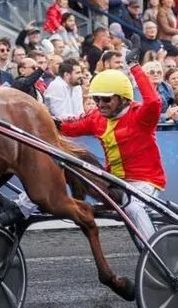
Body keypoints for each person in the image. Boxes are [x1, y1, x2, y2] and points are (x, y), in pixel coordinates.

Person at [57, 61, 161, 242]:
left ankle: (154, 252)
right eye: (96, 99)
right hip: (115, 182)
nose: (100, 104)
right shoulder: (96, 118)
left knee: (134, 208)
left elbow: (153, 101)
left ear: (123, 99)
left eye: (106, 99)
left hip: (145, 182)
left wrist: (135, 67)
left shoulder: (140, 116)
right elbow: (68, 128)